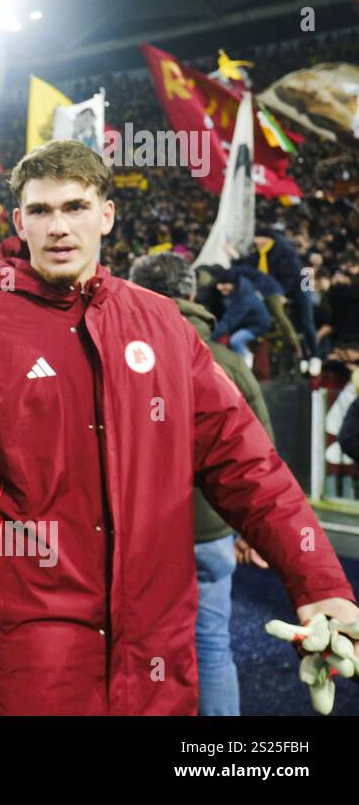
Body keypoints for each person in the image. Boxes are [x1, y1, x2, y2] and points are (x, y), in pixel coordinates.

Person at [0, 139, 357, 715]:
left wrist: (321, 582)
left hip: (156, 640)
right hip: (33, 641)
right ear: (19, 221)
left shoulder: (162, 324)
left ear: (106, 215)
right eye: (41, 211)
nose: (58, 226)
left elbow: (247, 464)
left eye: (76, 207)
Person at [129, 251, 274, 716]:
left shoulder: (116, 356)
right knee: (212, 645)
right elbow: (260, 457)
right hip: (210, 532)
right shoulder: (228, 363)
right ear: (192, 295)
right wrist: (254, 530)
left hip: (139, 536)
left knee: (140, 650)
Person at [241, 226, 318, 374]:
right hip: (280, 287)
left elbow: (291, 276)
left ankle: (315, 356)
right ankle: (301, 357)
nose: (254, 241)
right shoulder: (259, 253)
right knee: (291, 322)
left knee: (306, 320)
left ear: (265, 238)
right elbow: (248, 265)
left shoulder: (284, 251)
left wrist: (282, 293)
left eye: (256, 238)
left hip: (301, 283)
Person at [211, 267, 271, 368]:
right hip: (244, 323)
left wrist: (211, 336)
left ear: (232, 284)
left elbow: (229, 320)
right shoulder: (236, 290)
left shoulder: (243, 296)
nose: (219, 287)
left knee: (235, 340)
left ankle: (242, 366)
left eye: (223, 284)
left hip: (257, 325)